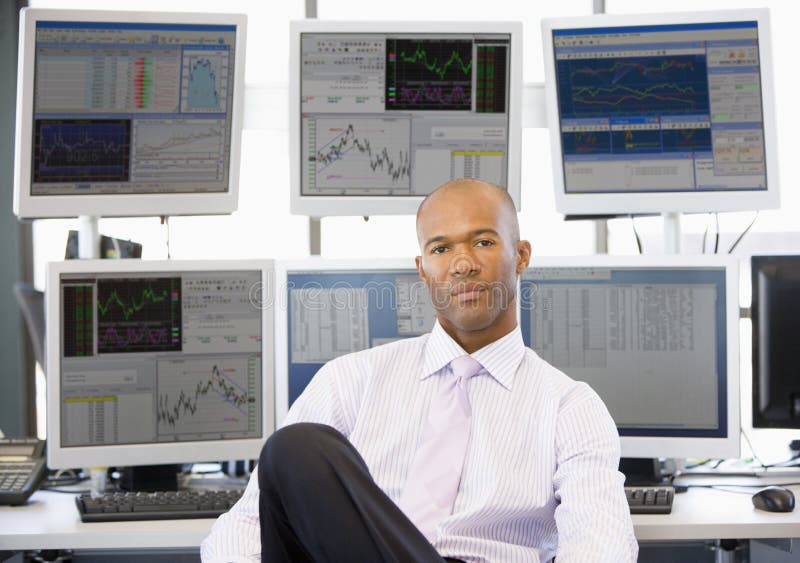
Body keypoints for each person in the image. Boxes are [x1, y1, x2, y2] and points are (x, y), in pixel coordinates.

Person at [201, 179, 638, 562]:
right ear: (423, 270)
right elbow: (243, 529)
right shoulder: (350, 380)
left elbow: (601, 541)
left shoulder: (569, 405)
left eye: (483, 242)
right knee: (294, 449)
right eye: (441, 248)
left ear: (521, 255)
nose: (462, 263)